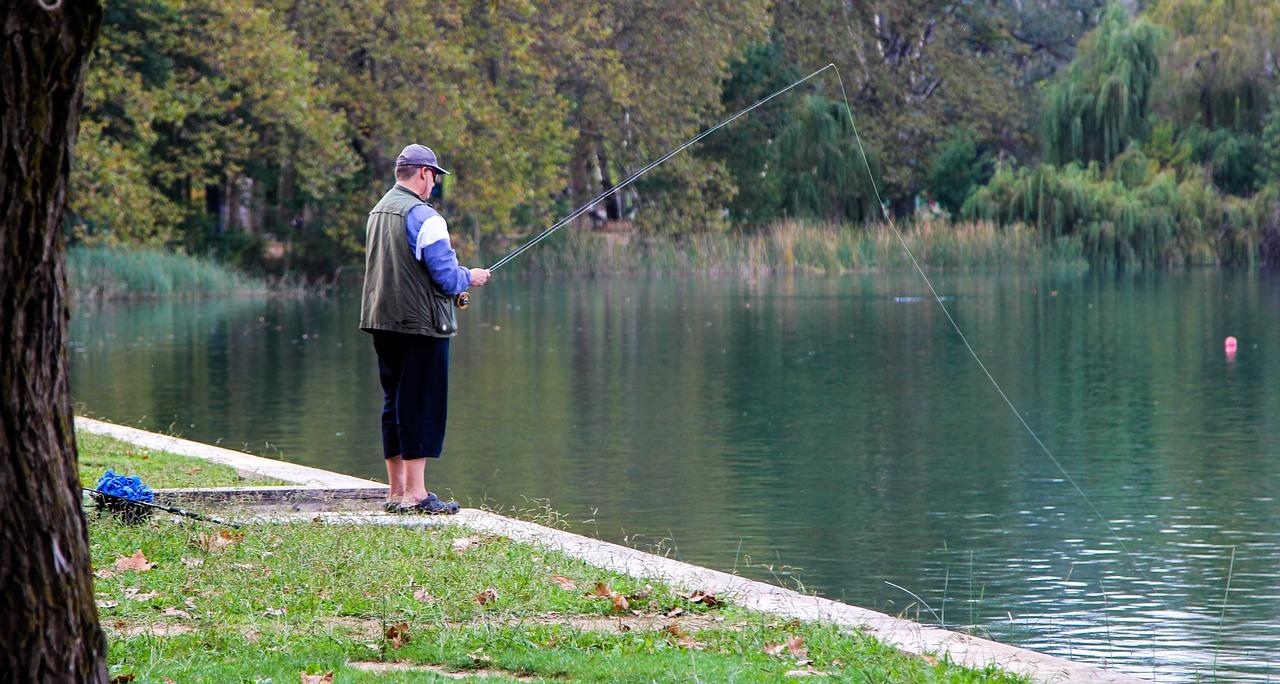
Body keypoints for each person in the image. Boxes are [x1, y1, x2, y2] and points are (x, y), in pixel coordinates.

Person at [359, 144, 490, 514]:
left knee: (395, 402)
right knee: (420, 403)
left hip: (382, 320)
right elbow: (447, 278)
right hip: (421, 324)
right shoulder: (425, 217)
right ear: (424, 173)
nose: (434, 185)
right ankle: (416, 494)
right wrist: (471, 276)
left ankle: (397, 492)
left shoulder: (378, 211)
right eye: (434, 177)